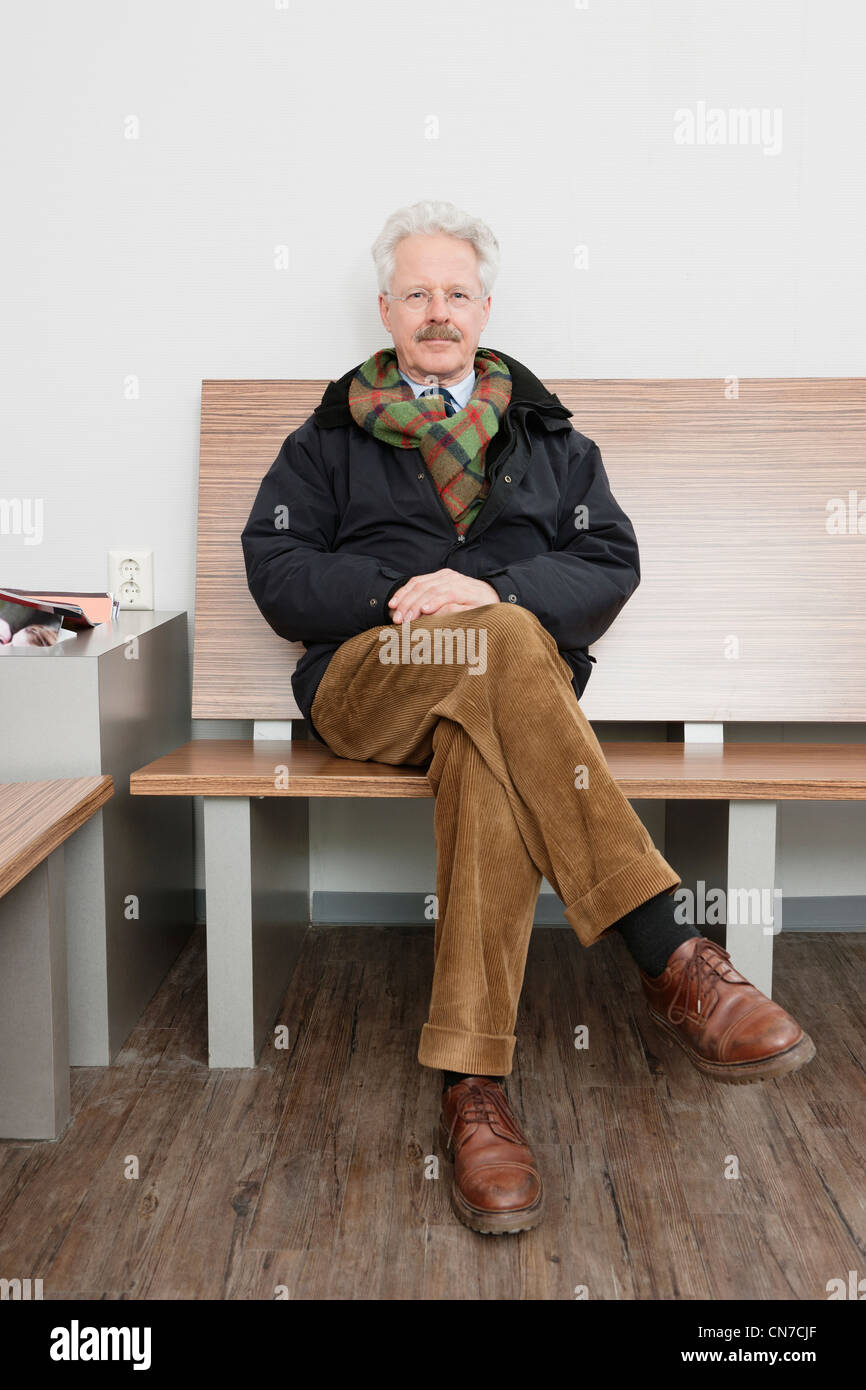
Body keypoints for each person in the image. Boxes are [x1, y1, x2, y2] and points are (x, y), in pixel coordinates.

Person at [241, 200, 815, 1235]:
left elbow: (608, 560)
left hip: (499, 704)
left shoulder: (549, 436)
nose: (436, 310)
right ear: (384, 308)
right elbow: (276, 568)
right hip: (370, 679)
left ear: (485, 307)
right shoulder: (324, 439)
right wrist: (401, 593)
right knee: (501, 641)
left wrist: (484, 588)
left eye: (454, 293)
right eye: (415, 293)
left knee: (488, 724)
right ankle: (670, 951)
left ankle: (471, 1092)